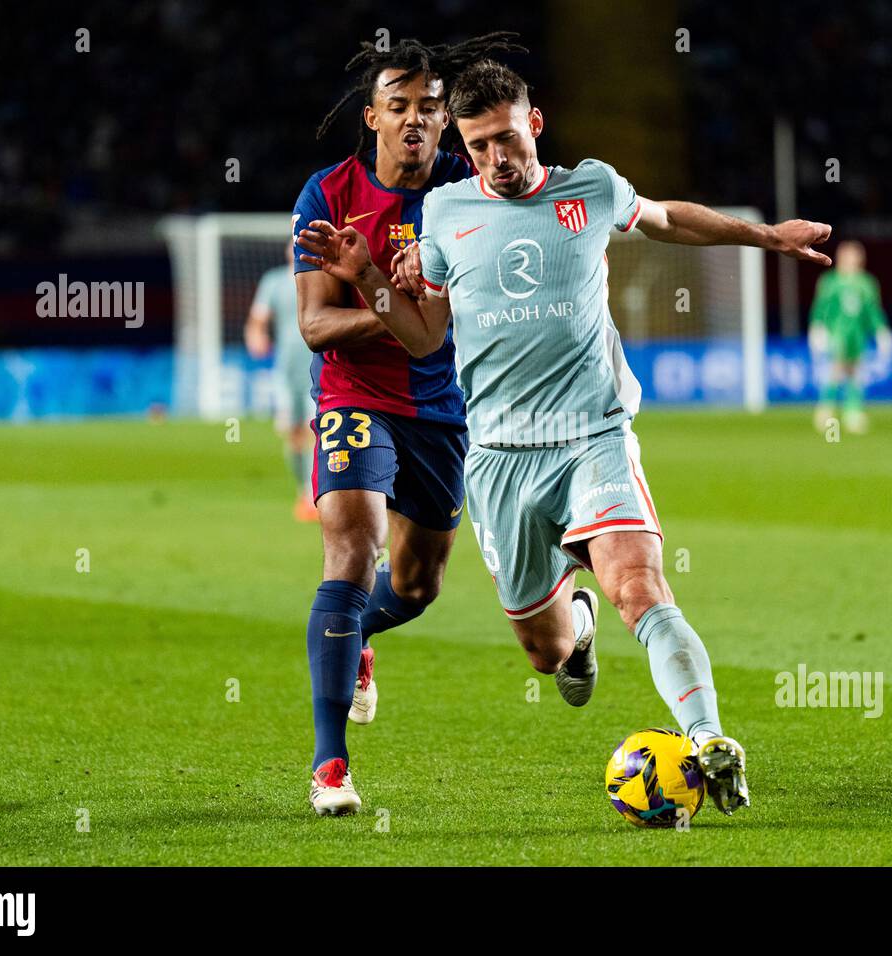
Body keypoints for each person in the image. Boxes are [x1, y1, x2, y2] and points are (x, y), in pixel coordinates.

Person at [296, 59, 832, 815]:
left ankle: (711, 740)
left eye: (508, 141)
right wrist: (371, 277)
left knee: (639, 586)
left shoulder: (590, 188)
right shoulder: (445, 215)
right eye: (479, 146)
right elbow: (423, 341)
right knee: (545, 653)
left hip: (593, 438)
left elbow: (669, 218)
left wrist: (765, 237)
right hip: (499, 459)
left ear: (534, 125)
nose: (496, 160)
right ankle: (576, 628)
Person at [293, 34, 523, 816]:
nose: (418, 119)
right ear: (374, 117)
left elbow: (439, 324)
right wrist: (380, 299)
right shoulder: (327, 195)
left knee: (418, 586)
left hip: (444, 409)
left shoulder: (467, 191)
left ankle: (358, 643)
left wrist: (394, 300)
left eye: (431, 106)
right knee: (351, 550)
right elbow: (317, 328)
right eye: (401, 107)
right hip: (353, 399)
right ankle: (330, 767)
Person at [244, 246, 320, 522]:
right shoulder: (273, 281)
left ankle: (317, 494)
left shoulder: (319, 277)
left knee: (317, 431)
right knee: (293, 433)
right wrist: (256, 336)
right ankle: (304, 490)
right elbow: (257, 319)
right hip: (286, 370)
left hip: (317, 368)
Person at [807, 240, 892, 434]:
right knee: (837, 369)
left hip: (857, 334)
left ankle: (852, 411)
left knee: (855, 372)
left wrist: (881, 331)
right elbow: (821, 308)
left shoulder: (867, 283)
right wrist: (817, 327)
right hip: (837, 332)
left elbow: (872, 311)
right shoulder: (830, 281)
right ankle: (825, 410)